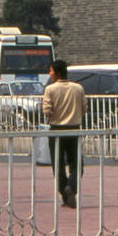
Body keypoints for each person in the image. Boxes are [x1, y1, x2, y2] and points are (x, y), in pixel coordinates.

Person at [42, 58, 86, 210]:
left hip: (56, 129)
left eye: (51, 71)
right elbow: (84, 108)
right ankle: (72, 188)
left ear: (57, 73)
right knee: (77, 165)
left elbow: (47, 111)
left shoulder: (50, 89)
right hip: (74, 129)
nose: (50, 73)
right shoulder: (78, 88)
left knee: (58, 164)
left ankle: (64, 191)